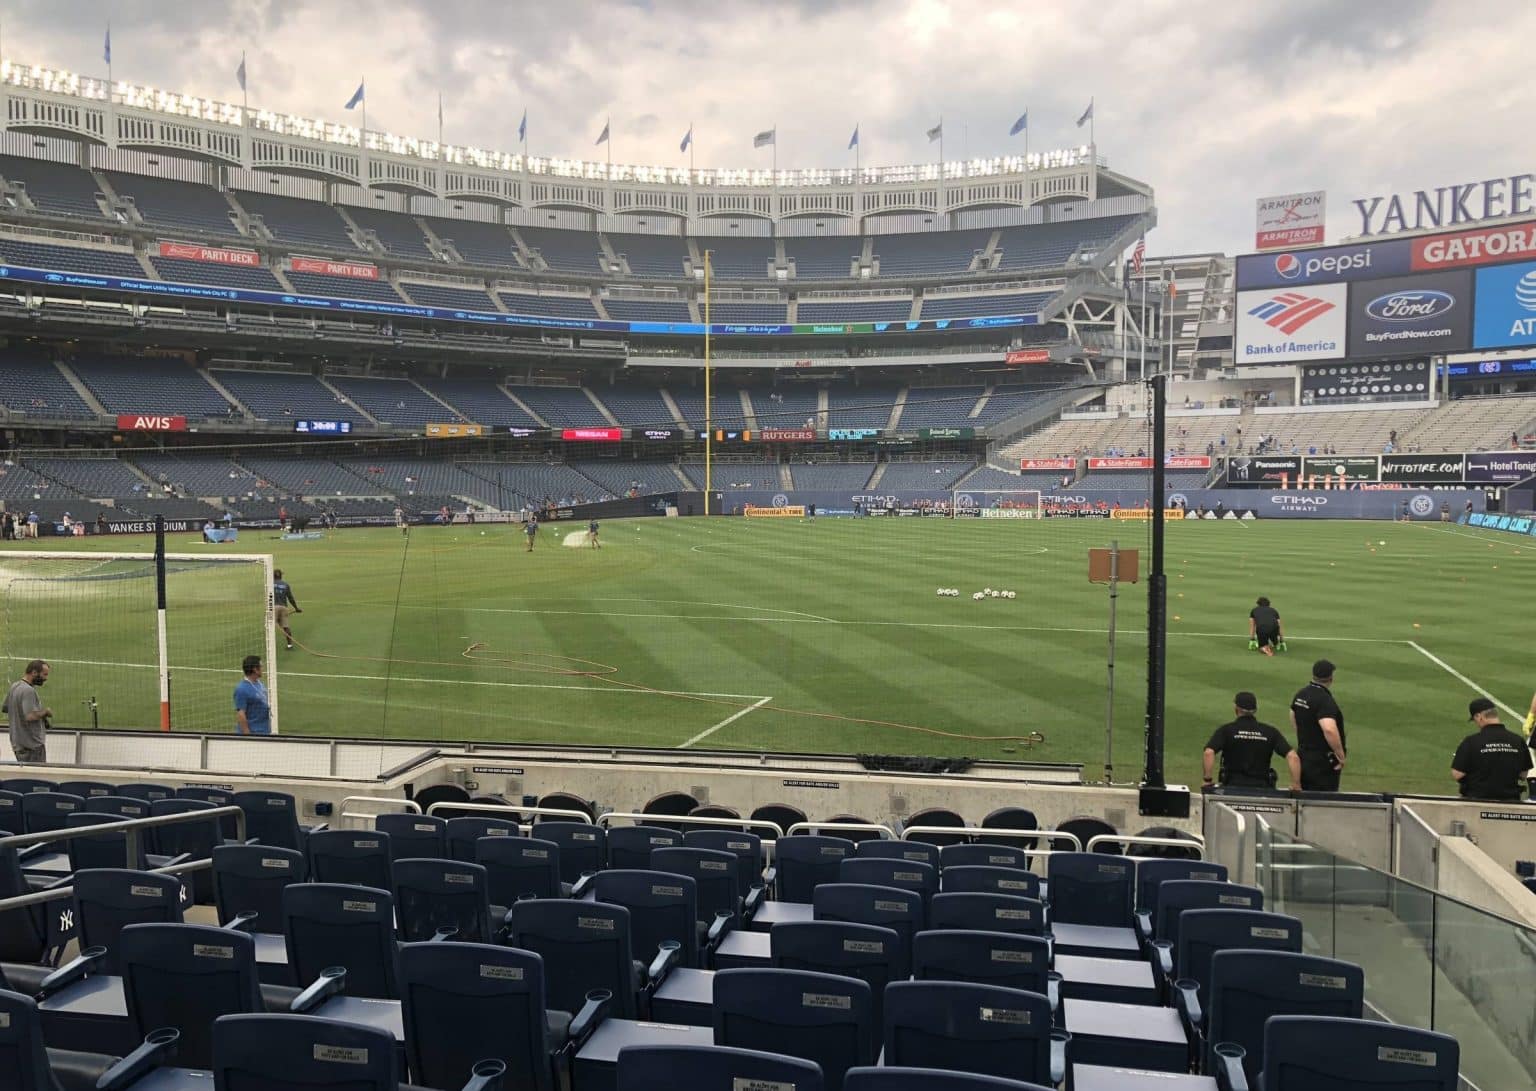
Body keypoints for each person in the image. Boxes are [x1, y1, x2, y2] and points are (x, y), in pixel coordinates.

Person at [1203, 692, 1302, 791]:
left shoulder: (1226, 730)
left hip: (1231, 788)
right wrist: (1296, 784)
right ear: (1255, 709)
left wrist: (1207, 780)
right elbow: (1293, 757)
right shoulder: (1270, 731)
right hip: (1262, 789)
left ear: (1236, 708)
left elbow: (1209, 753)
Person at [1451, 697, 1530, 801]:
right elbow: (1523, 774)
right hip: (1510, 800)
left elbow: (1457, 774)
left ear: (1479, 717)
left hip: (1476, 800)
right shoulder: (1518, 741)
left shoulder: (1470, 742)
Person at [1290, 659, 1346, 791]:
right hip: (1322, 762)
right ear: (1331, 678)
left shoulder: (1301, 694)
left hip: (1303, 754)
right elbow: (1329, 729)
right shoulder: (1324, 699)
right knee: (1322, 800)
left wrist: (1305, 735)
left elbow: (1293, 715)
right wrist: (1340, 754)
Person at [5, 659, 52, 763]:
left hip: (18, 743)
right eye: (44, 674)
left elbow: (6, 708)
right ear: (34, 672)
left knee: (26, 776)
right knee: (35, 777)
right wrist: (45, 712)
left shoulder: (14, 686)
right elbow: (30, 716)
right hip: (32, 745)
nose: (45, 678)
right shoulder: (28, 691)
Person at [234, 655, 271, 736]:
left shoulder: (259, 683)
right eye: (261, 666)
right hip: (254, 734)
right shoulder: (242, 689)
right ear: (255, 669)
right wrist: (248, 736)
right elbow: (241, 714)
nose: (263, 669)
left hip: (264, 731)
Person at [273, 569, 302, 650]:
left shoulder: (269, 584)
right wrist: (296, 608)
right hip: (283, 607)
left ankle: (271, 645)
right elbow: (290, 598)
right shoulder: (285, 585)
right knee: (286, 627)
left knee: (270, 626)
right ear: (281, 575)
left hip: (273, 607)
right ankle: (290, 645)